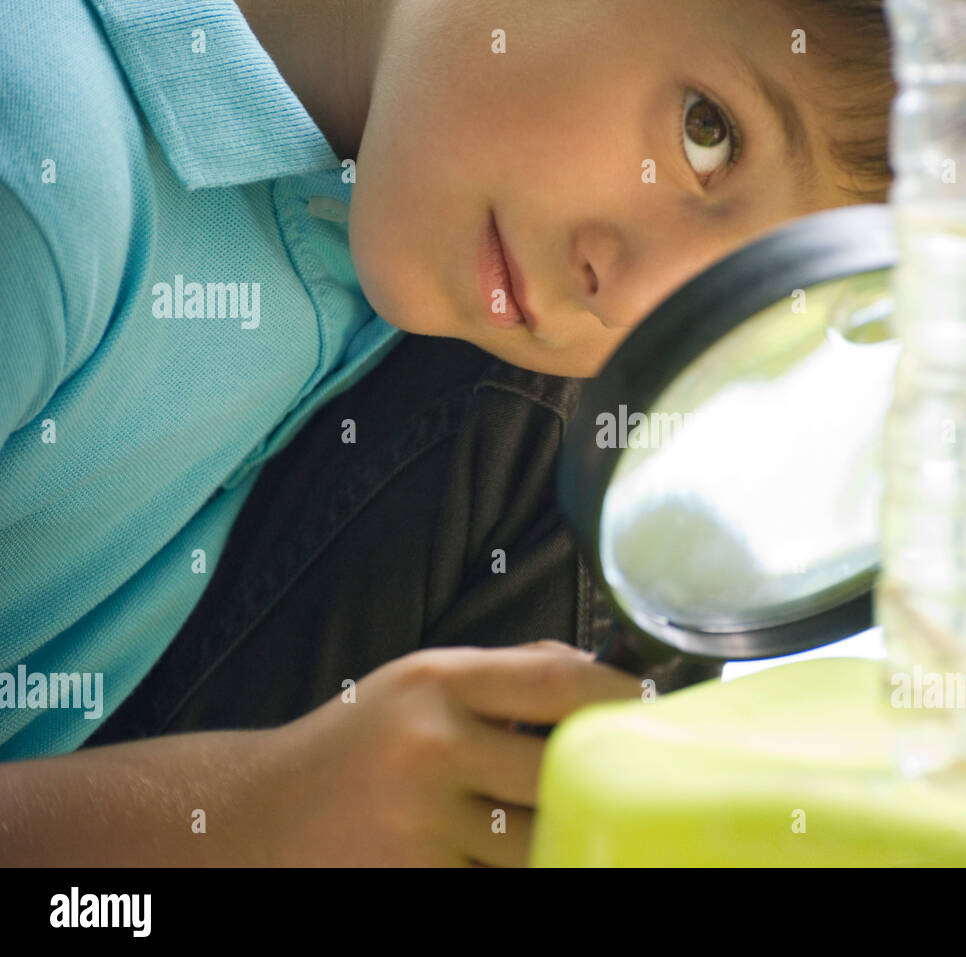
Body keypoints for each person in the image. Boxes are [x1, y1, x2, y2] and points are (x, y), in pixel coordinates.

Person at [0, 0, 890, 864]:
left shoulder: (408, 189)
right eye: (707, 131)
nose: (625, 299)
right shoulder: (38, 188)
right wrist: (240, 813)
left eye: (721, 298)